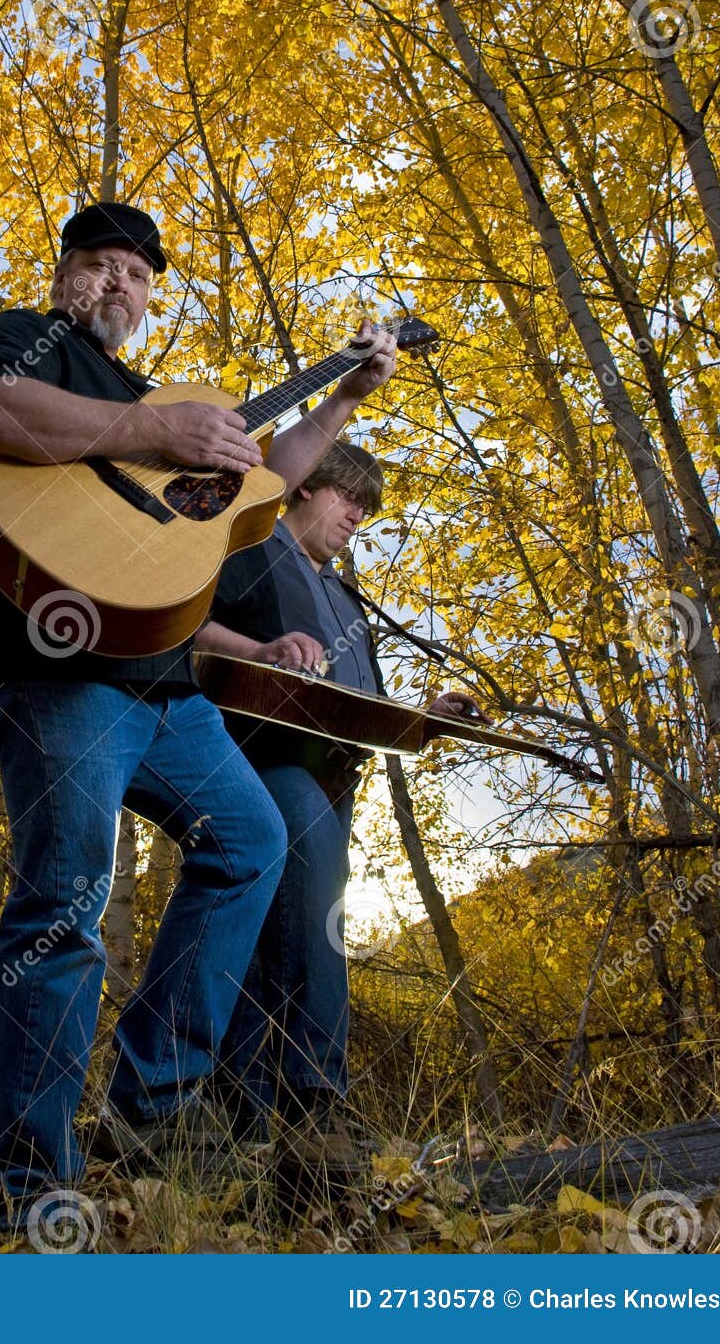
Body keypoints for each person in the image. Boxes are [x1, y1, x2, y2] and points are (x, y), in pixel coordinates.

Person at [0, 200, 397, 1231]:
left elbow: (255, 495)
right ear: (64, 276)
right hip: (52, 665)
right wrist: (147, 426)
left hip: (164, 686)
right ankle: (22, 1182)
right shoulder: (30, 343)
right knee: (67, 895)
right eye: (100, 265)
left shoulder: (169, 405)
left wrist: (343, 401)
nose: (117, 284)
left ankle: (151, 1105)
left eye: (138, 275)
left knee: (251, 842)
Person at [197, 439, 485, 1207]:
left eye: (368, 505)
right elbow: (181, 627)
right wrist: (259, 649)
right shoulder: (246, 550)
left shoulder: (348, 601)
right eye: (346, 495)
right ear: (300, 489)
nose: (358, 513)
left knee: (274, 941)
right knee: (315, 925)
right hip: (261, 767)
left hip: (333, 786)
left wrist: (427, 717)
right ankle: (316, 1109)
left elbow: (368, 716)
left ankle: (235, 1129)